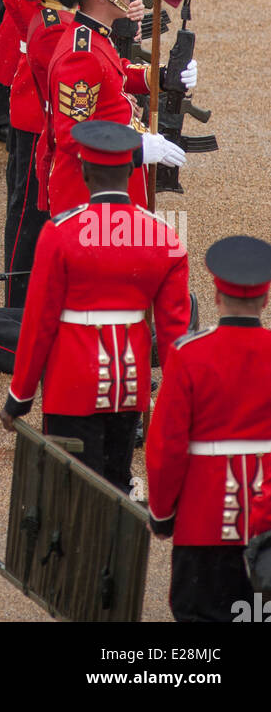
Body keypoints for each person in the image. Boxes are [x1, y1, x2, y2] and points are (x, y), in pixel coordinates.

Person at [0, 121, 193, 492]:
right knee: (116, 487)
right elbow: (174, 337)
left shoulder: (59, 233)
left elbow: (39, 324)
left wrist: (19, 397)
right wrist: (179, 404)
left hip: (71, 384)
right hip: (129, 386)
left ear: (85, 171)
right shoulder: (164, 237)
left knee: (68, 494)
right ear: (132, 170)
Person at [146, 235, 271, 622]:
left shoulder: (188, 355)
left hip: (202, 522)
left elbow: (166, 446)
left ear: (216, 296)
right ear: (265, 300)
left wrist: (162, 513)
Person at [44, 0, 194, 215]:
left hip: (109, 186)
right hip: (89, 197)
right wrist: (136, 150)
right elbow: (73, 137)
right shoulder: (80, 55)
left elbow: (116, 74)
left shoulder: (94, 36)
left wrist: (162, 76)